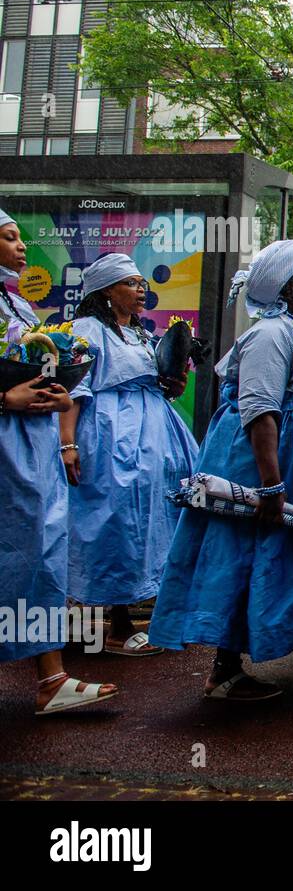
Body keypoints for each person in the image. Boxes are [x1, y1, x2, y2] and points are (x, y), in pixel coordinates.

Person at [148, 240, 293, 701]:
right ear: (290, 288)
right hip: (274, 470)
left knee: (290, 556)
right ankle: (224, 670)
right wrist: (271, 483)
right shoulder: (271, 334)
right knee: (249, 554)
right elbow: (258, 409)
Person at [0, 210, 119, 713]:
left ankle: (52, 678)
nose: (21, 246)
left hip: (29, 447)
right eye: (8, 237)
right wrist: (7, 401)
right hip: (11, 440)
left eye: (21, 238)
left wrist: (57, 395)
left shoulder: (18, 305)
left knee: (36, 553)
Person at [60, 253, 198, 657]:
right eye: (131, 284)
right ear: (105, 290)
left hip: (153, 432)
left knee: (150, 520)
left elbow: (156, 379)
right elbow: (73, 389)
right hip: (109, 437)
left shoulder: (137, 332)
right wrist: (67, 444)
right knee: (115, 521)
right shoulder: (85, 330)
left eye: (143, 284)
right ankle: (116, 625)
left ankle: (144, 609)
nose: (141, 291)